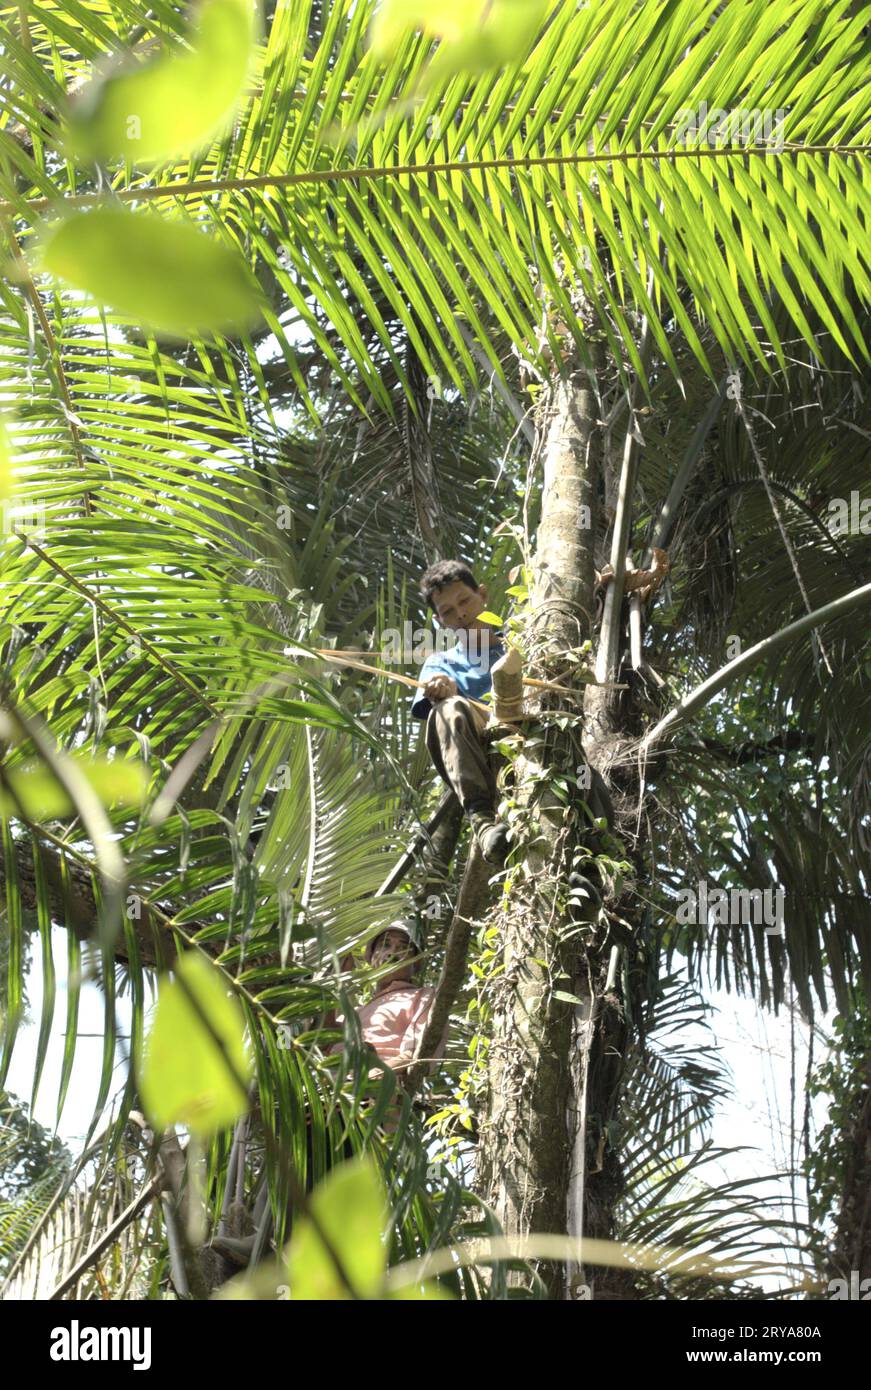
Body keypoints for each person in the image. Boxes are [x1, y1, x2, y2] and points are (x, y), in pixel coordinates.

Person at [412, 559, 510, 864]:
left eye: (465, 601)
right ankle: (482, 822)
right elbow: (441, 718)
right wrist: (444, 690)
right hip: (481, 754)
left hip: (525, 740)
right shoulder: (440, 664)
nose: (461, 614)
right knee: (450, 708)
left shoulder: (520, 645)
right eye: (448, 612)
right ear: (441, 622)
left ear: (483, 595)